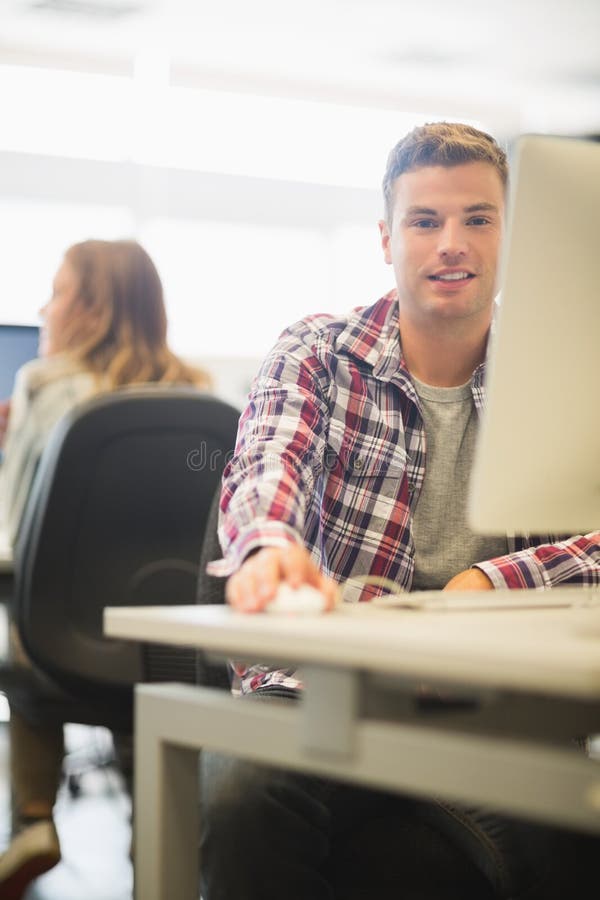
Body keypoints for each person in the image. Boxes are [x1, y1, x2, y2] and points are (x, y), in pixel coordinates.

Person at [201, 123, 600, 899]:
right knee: (242, 799)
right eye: (426, 221)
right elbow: (266, 464)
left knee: (574, 835)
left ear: (511, 236)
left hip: (494, 704)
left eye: (478, 219)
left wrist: (490, 582)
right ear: (387, 238)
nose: (452, 242)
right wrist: (269, 547)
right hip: (319, 689)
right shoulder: (318, 351)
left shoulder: (566, 369)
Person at [0, 238, 211, 896]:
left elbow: (13, 536)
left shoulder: (48, 384)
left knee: (25, 629)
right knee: (140, 682)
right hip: (170, 651)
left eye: (57, 291)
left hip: (59, 649)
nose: (44, 305)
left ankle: (33, 817)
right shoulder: (200, 396)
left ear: (90, 307)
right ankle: (159, 839)